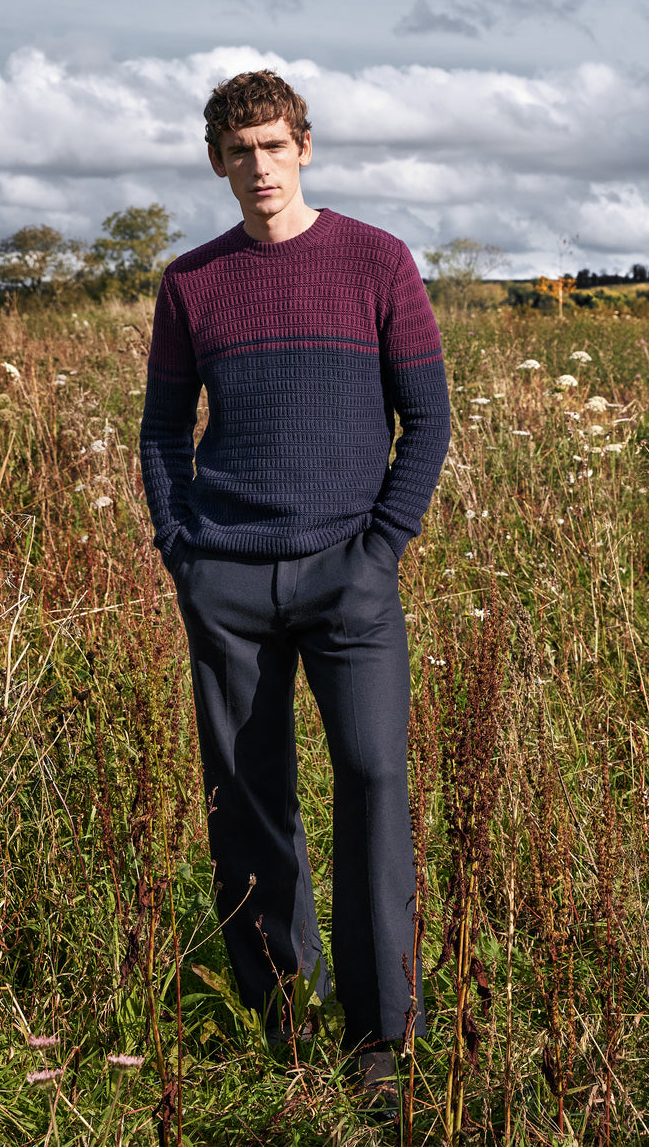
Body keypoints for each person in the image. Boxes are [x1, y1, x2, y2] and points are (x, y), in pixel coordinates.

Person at [139, 69, 451, 1111]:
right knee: (246, 803)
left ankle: (378, 1042)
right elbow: (161, 431)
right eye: (241, 150)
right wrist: (185, 548)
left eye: (275, 145)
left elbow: (428, 419)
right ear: (218, 160)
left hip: (349, 577)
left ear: (303, 147)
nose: (260, 166)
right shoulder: (192, 282)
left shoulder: (377, 261)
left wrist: (380, 549)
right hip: (226, 575)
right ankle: (281, 1013)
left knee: (371, 783)